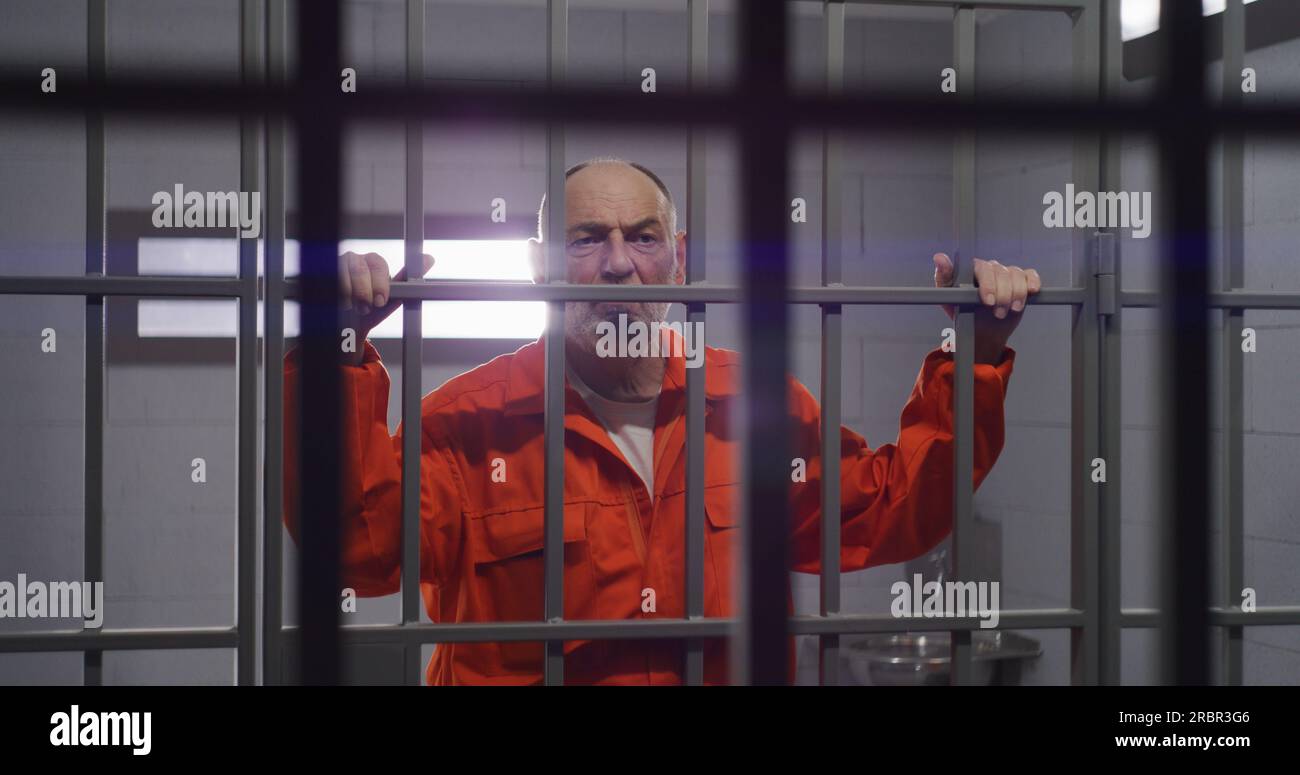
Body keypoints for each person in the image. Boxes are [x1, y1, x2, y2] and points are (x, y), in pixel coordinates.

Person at [283, 157, 1041, 685]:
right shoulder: (467, 425)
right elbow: (355, 550)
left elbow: (902, 506)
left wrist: (971, 357)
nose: (619, 264)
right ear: (537, 262)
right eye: (587, 239)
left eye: (643, 237)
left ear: (677, 260)